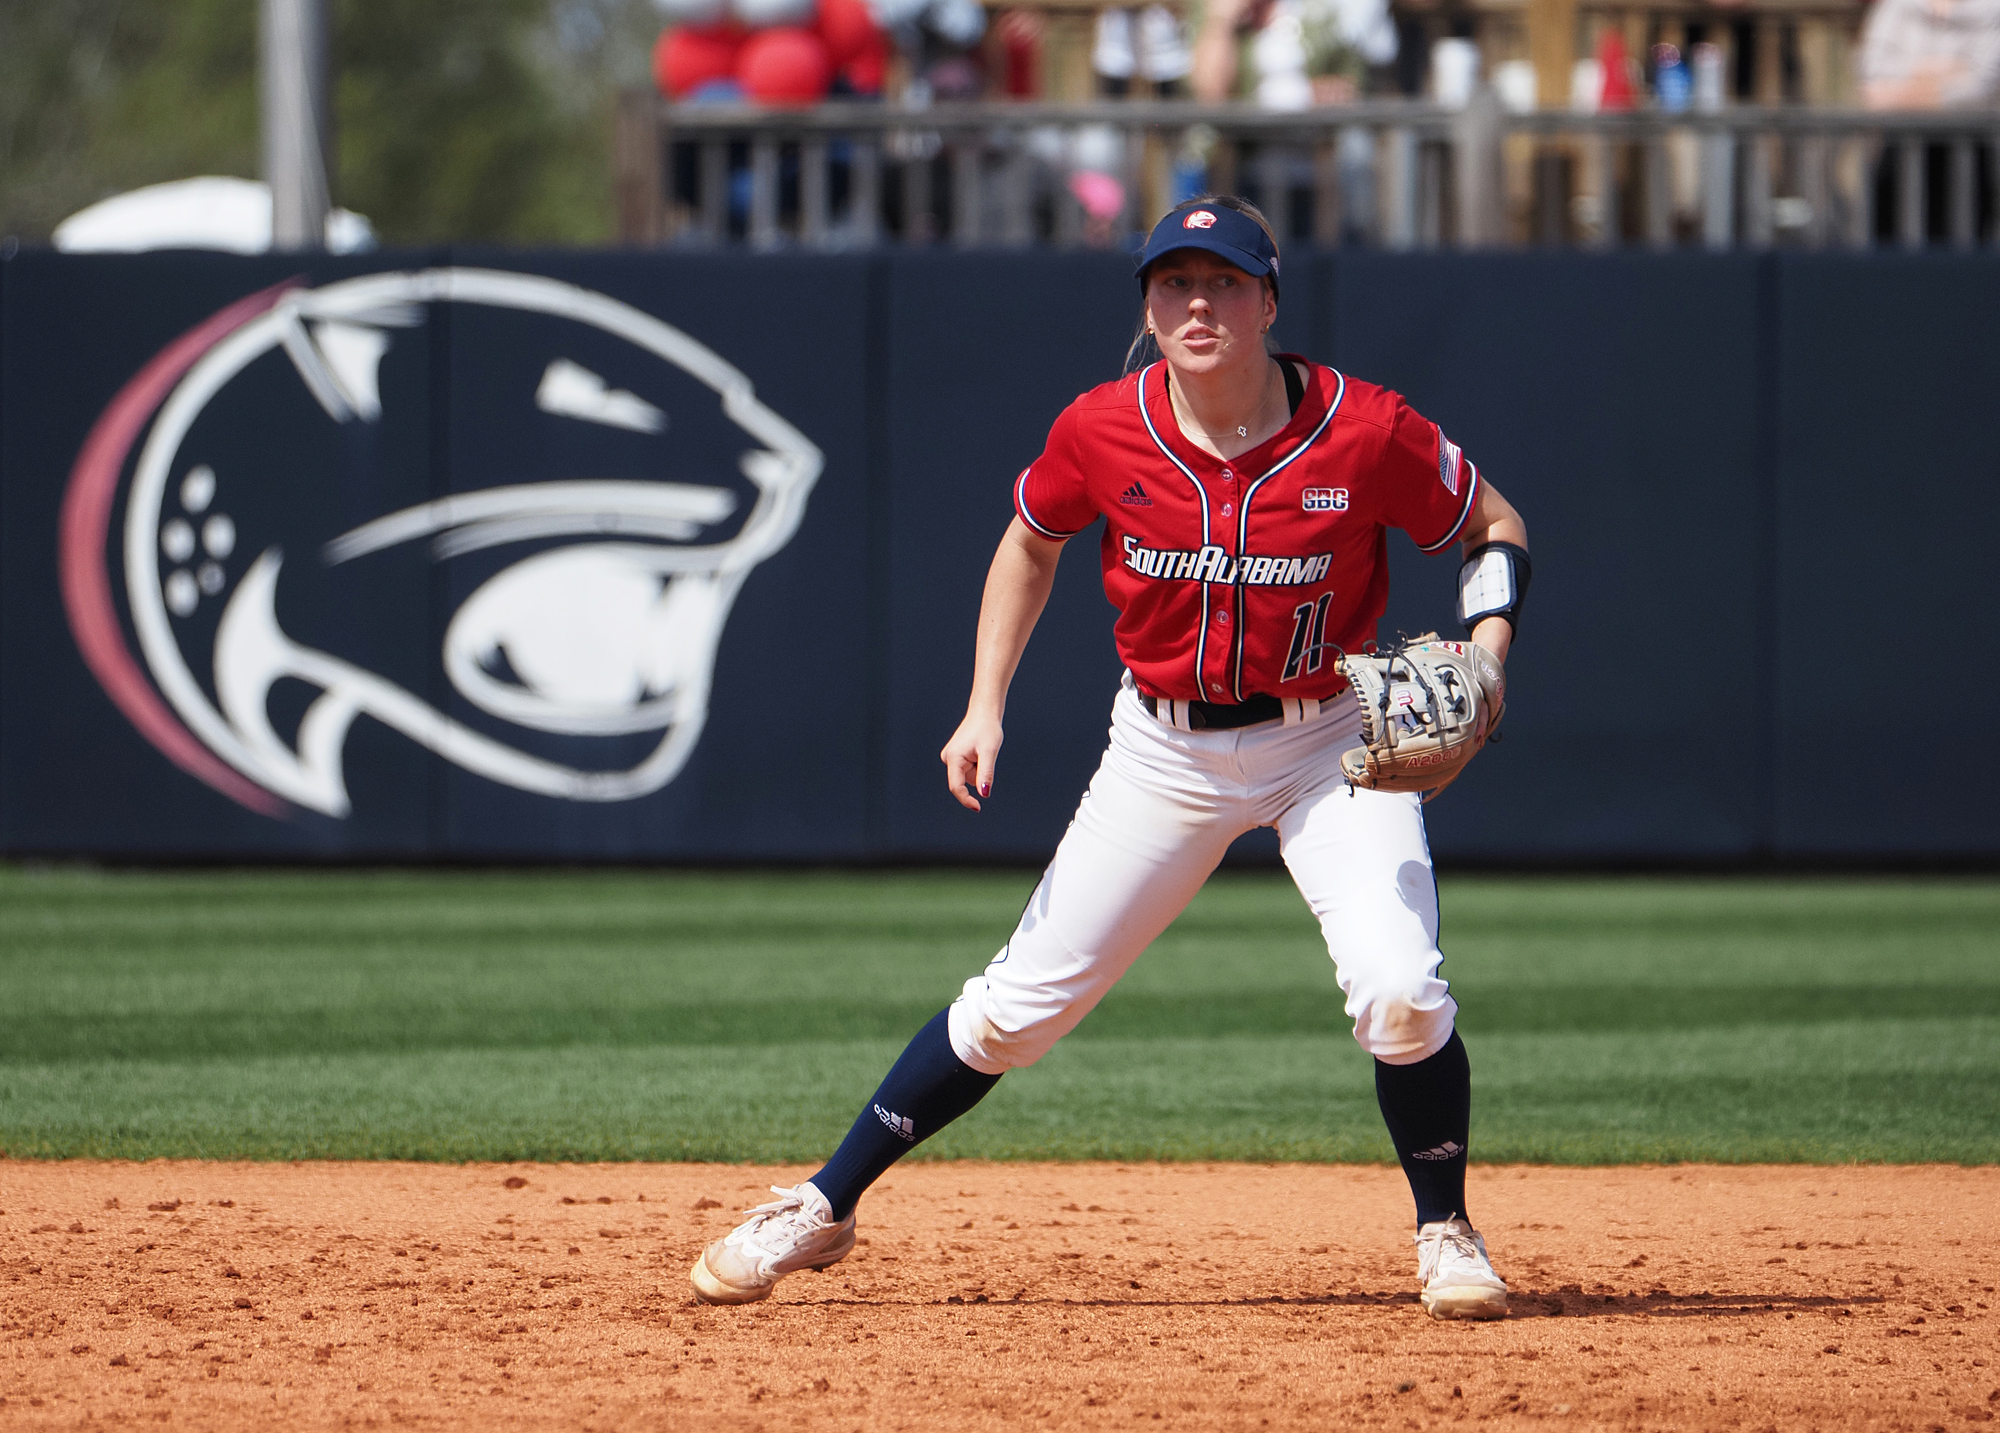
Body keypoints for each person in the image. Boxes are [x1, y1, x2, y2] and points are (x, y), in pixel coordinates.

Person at [689, 196, 1531, 1322]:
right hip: (1162, 747)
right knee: (1012, 1012)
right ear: (1145, 305)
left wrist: (1486, 654)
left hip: (1327, 737)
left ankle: (1445, 1227)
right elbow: (1029, 544)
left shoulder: (1361, 427)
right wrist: (983, 702)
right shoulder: (1101, 425)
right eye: (1173, 284)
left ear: (1268, 301)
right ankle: (821, 1201)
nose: (1197, 304)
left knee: (1397, 987)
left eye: (1224, 282)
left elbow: (1492, 523)